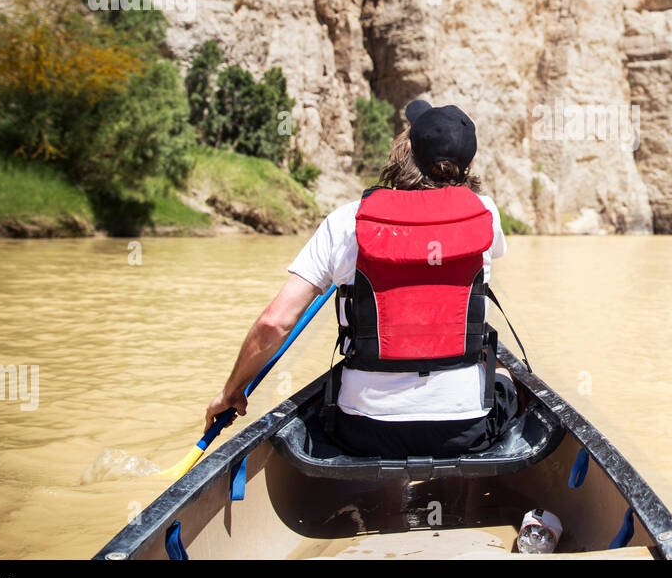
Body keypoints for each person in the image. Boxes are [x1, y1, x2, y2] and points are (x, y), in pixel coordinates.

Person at [203, 99, 517, 459]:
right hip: (466, 431)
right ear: (466, 167)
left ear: (404, 151)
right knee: (506, 375)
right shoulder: (487, 216)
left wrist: (231, 391)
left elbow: (275, 322)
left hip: (363, 430)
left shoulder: (345, 222)